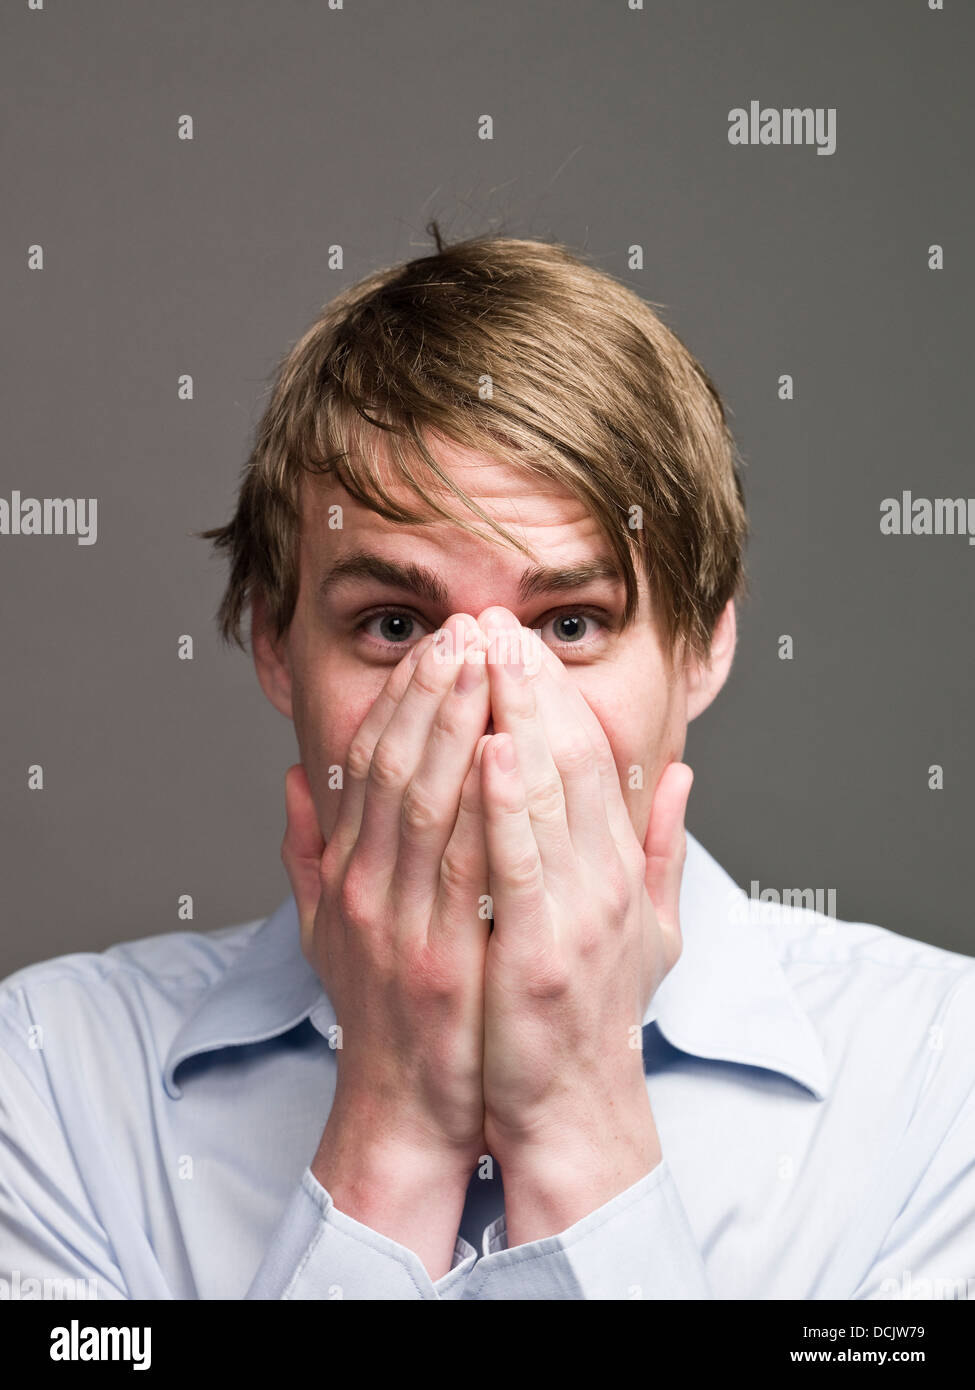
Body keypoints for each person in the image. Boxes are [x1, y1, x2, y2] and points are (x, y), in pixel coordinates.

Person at [2, 227, 973, 1301]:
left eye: (569, 626)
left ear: (701, 647)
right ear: (276, 644)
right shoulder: (48, 1076)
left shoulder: (942, 1079)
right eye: (392, 623)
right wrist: (397, 1122)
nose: (484, 712)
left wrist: (574, 1118)